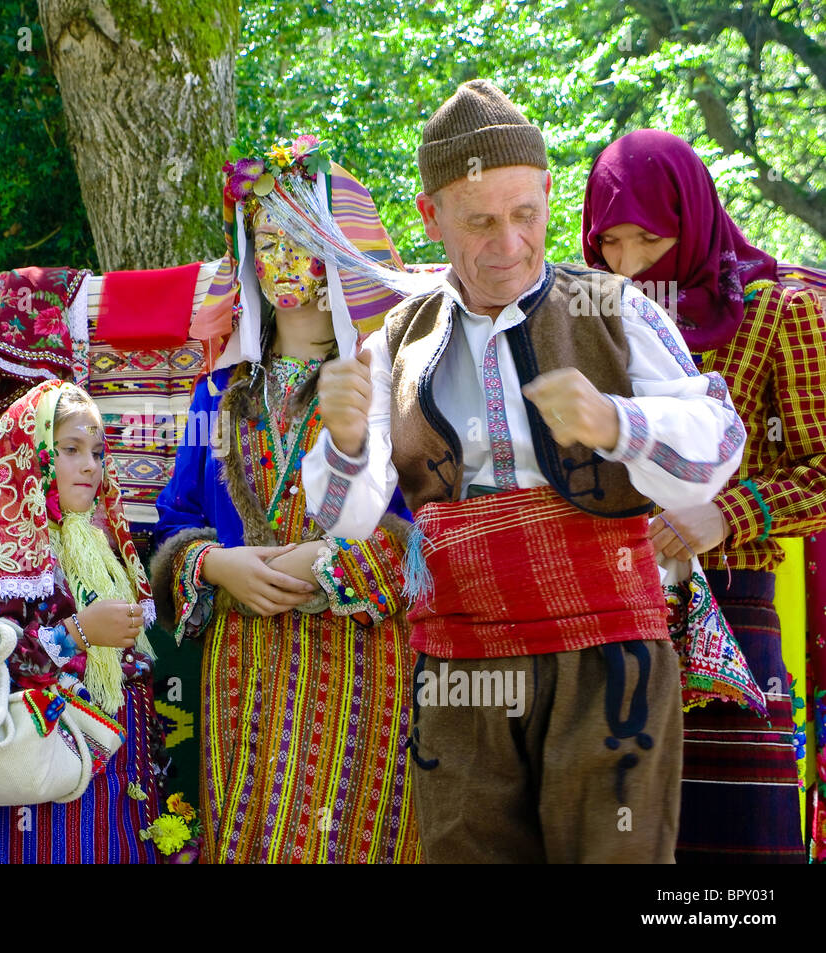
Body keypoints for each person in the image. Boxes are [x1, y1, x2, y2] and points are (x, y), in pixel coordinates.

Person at [301, 81, 747, 863]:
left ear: (547, 194)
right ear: (430, 215)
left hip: (609, 661)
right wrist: (342, 440)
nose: (507, 243)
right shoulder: (395, 342)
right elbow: (347, 517)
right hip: (463, 667)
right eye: (478, 221)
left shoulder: (612, 308)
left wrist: (618, 422)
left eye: (525, 214)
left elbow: (718, 441)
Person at [150, 137, 422, 864]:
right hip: (244, 668)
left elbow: (429, 526)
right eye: (265, 239)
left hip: (360, 664)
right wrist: (215, 565)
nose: (280, 259)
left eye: (300, 238)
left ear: (338, 248)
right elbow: (175, 521)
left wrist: (334, 565)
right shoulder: (218, 393)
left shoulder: (387, 381)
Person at [583, 128, 826, 863]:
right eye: (609, 244)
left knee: (734, 853)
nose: (629, 265)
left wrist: (726, 511)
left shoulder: (780, 313)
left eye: (648, 240)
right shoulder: (591, 324)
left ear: (691, 222)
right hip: (611, 626)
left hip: (737, 617)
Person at [0, 379, 164, 863]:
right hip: (37, 787)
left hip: (120, 777)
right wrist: (77, 634)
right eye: (71, 450)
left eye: (98, 453)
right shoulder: (0, 554)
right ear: (30, 456)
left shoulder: (101, 549)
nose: (90, 466)